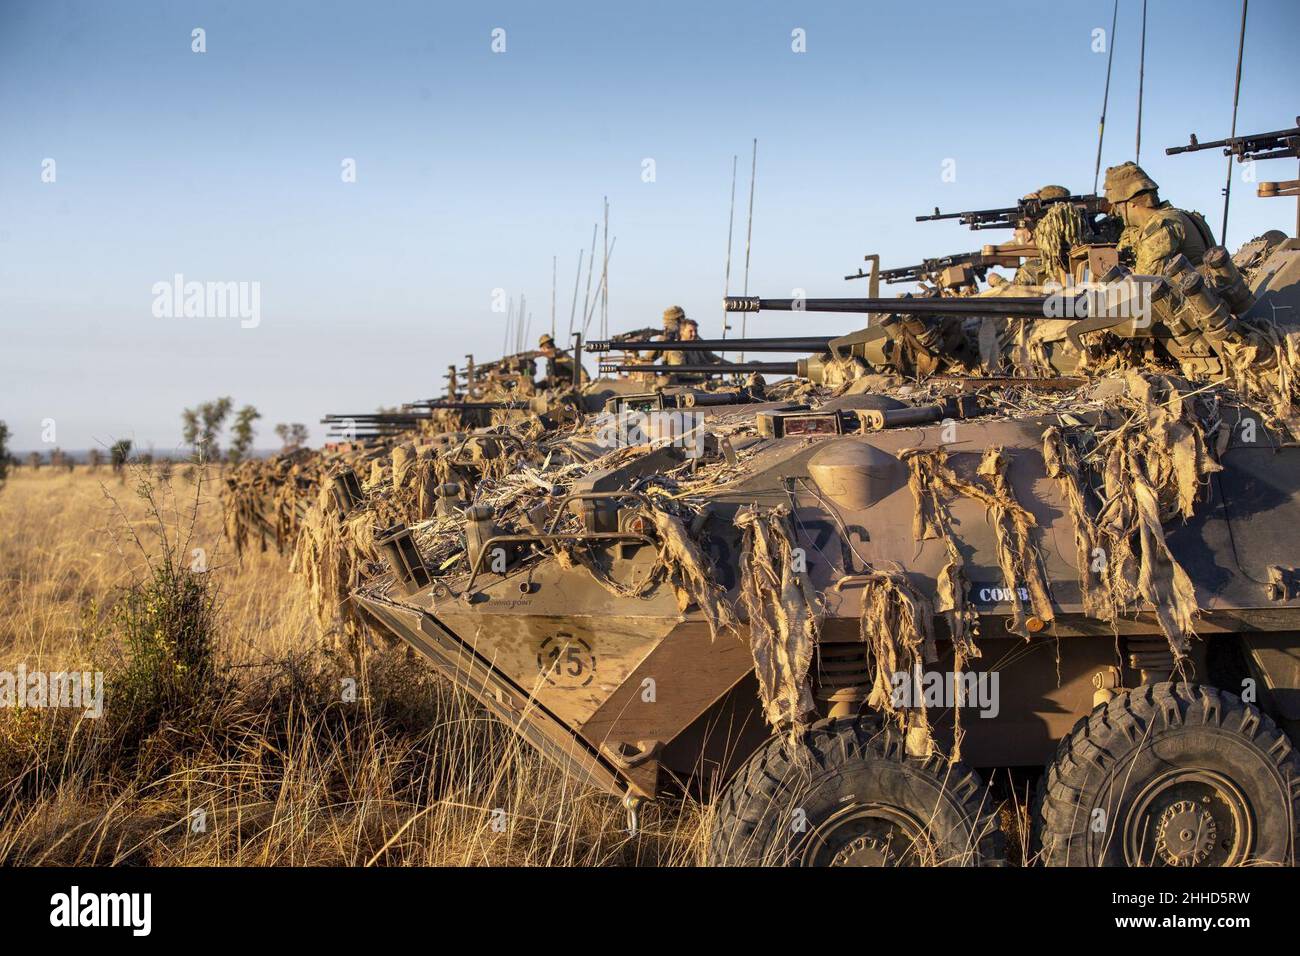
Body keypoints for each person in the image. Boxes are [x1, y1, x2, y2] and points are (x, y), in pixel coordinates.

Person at [1103, 162, 1214, 276]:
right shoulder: (1144, 227)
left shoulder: (1161, 226)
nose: (1116, 212)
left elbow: (1145, 284)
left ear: (1131, 202)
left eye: (1117, 205)